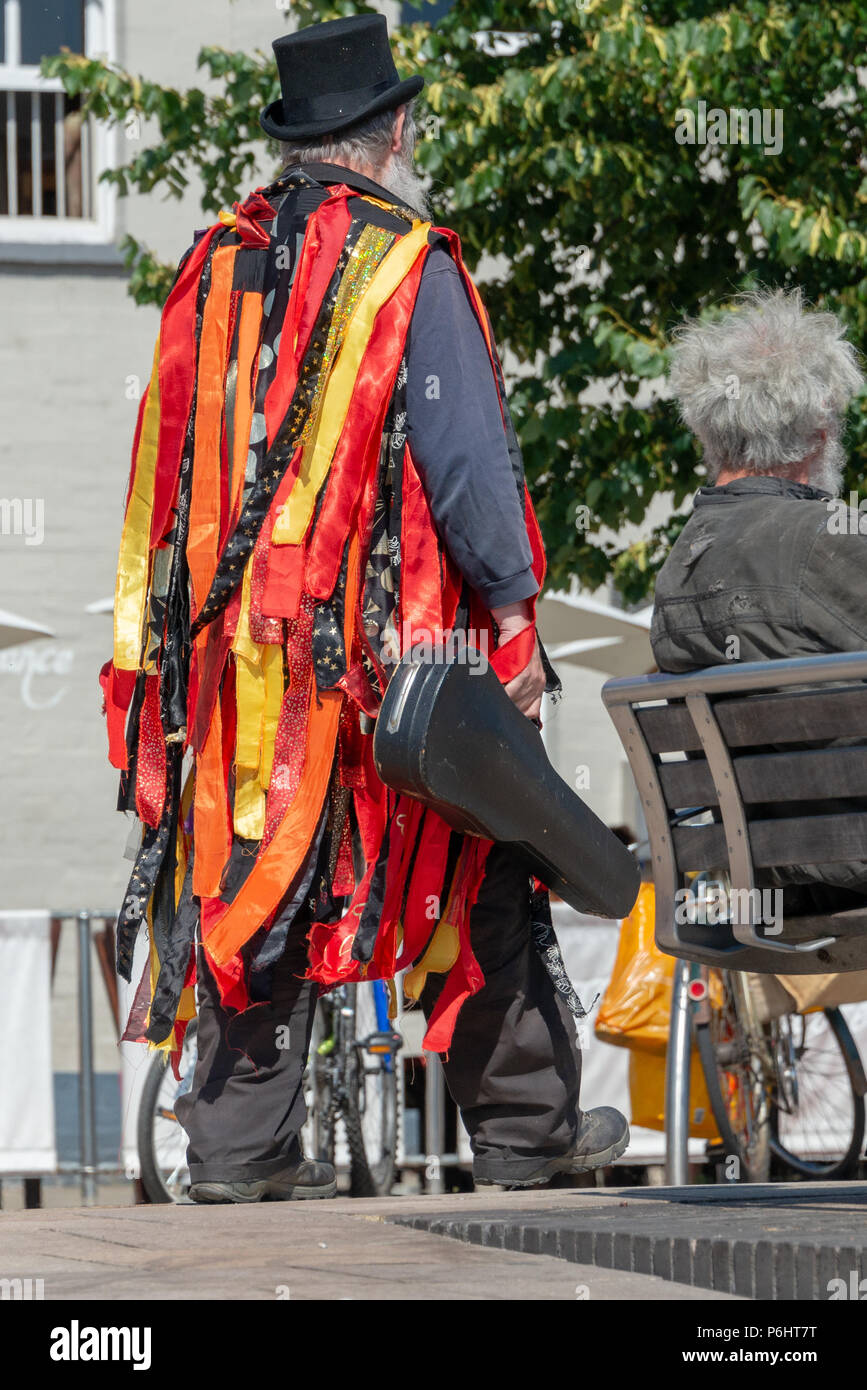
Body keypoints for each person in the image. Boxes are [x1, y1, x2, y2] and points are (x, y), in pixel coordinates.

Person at [102, 14, 628, 1202]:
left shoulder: (214, 266)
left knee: (255, 888)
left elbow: (172, 465)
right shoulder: (410, 265)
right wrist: (512, 619)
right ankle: (527, 1131)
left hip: (242, 673)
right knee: (486, 853)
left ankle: (236, 1156)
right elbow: (470, 469)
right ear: (390, 131)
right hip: (401, 653)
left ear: (299, 143)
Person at [652, 286, 867, 904]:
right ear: (818, 434)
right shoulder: (826, 542)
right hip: (849, 869)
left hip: (762, 881)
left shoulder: (678, 572)